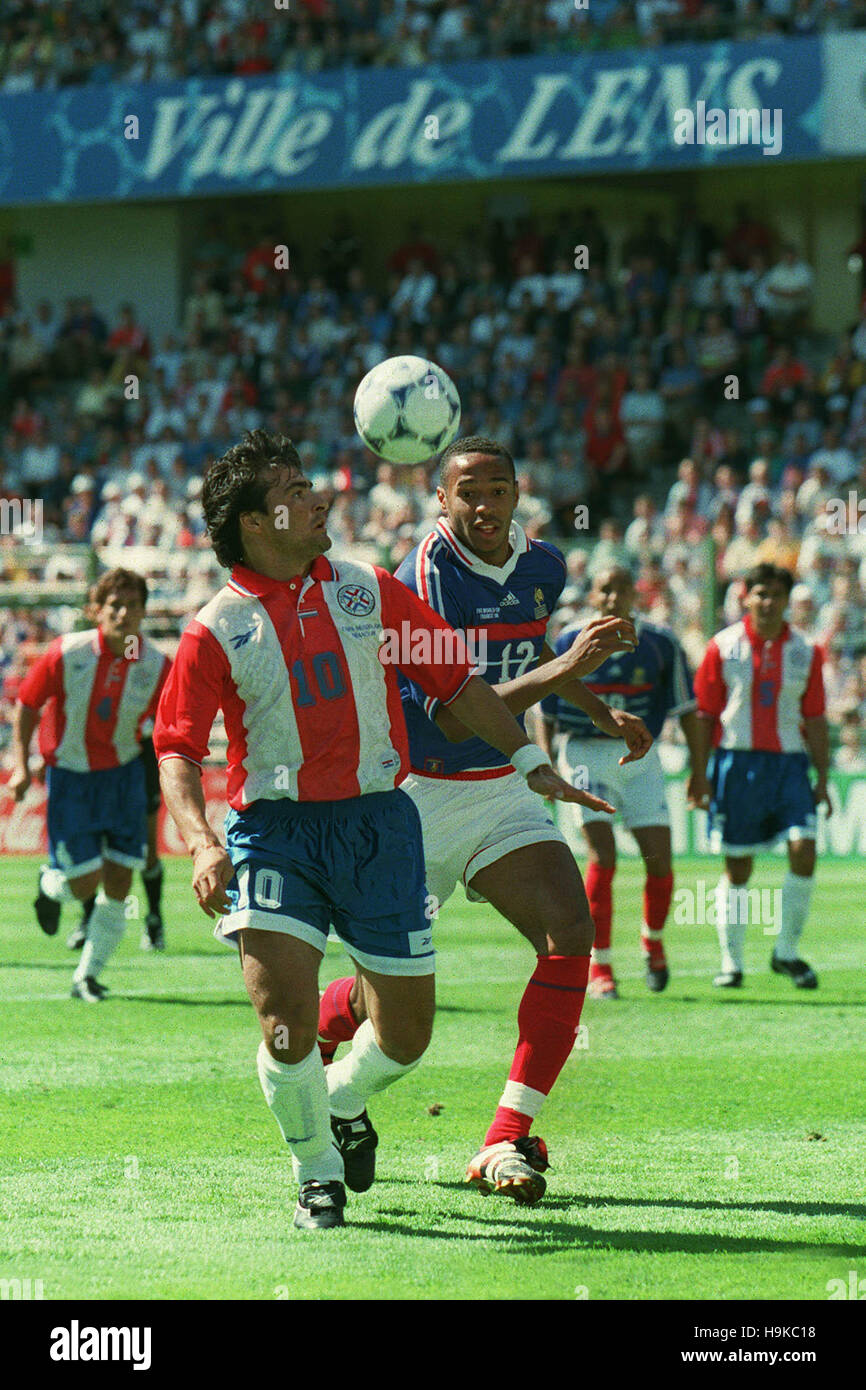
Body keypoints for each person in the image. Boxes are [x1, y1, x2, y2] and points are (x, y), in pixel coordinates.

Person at [153, 429, 596, 1232]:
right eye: (293, 490)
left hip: (383, 827)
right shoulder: (213, 628)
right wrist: (201, 839)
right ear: (257, 523)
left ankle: (345, 1102)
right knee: (283, 1020)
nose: (316, 498)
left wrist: (530, 761)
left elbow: (457, 686)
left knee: (408, 1035)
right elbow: (177, 748)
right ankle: (315, 1171)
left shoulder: (369, 591)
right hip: (274, 833)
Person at [316, 437, 653, 1207]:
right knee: (385, 1002)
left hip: (501, 787)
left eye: (498, 490)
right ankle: (330, 1023)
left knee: (570, 933)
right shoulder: (423, 576)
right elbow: (452, 719)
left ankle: (507, 1135)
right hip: (416, 794)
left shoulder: (543, 566)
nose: (484, 505)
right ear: (441, 500)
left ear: (516, 494)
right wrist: (566, 671)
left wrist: (598, 709)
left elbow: (524, 656)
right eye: (468, 492)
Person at [539, 565, 702, 998]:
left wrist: (699, 773)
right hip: (585, 754)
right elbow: (546, 713)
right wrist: (546, 765)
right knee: (603, 856)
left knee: (660, 861)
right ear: (592, 594)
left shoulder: (661, 643)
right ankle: (602, 967)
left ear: (635, 593)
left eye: (621, 589)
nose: (613, 598)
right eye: (604, 589)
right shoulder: (568, 640)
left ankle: (653, 942)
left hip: (641, 757)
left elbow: (687, 710)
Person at [10, 568, 171, 1001]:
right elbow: (27, 702)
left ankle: (87, 975)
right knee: (84, 883)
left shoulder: (157, 664)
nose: (124, 613)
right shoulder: (68, 652)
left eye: (133, 605)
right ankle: (50, 885)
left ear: (143, 611)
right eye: (114, 605)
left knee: (120, 879)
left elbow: (172, 723)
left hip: (123, 777)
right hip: (72, 780)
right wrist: (22, 765)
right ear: (96, 610)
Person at [689, 563, 829, 989]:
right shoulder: (722, 647)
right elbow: (703, 714)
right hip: (737, 764)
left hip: (789, 766)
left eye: (777, 596)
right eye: (760, 594)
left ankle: (785, 953)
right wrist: (699, 774)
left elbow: (816, 718)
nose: (768, 603)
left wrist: (822, 777)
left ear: (788, 601)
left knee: (804, 849)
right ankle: (731, 963)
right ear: (745, 597)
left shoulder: (806, 651)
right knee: (738, 864)